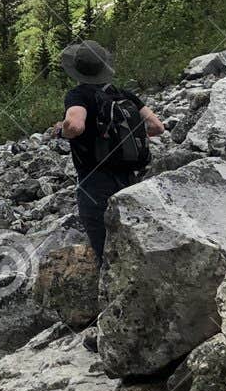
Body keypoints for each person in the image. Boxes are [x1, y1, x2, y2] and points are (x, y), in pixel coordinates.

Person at [50, 41, 165, 263]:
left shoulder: (79, 95)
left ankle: (111, 292)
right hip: (131, 180)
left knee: (105, 250)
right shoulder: (125, 95)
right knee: (133, 244)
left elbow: (75, 126)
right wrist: (123, 140)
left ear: (77, 70)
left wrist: (61, 131)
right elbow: (157, 127)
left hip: (94, 183)